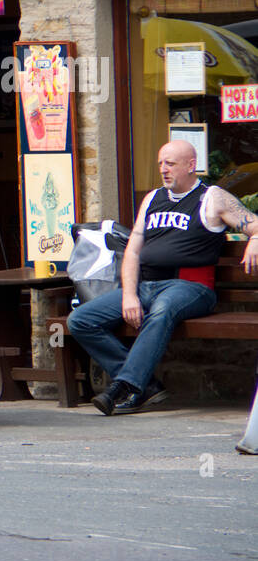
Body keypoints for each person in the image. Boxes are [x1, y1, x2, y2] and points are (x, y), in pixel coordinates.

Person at [70, 140, 258, 414]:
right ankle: (145, 386)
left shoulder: (212, 197)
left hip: (191, 288)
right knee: (81, 320)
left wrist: (255, 237)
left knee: (162, 309)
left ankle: (124, 387)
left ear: (191, 165)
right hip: (147, 286)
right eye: (160, 164)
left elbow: (253, 222)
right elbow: (133, 252)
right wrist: (130, 294)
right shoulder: (152, 199)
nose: (163, 170)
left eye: (170, 164)